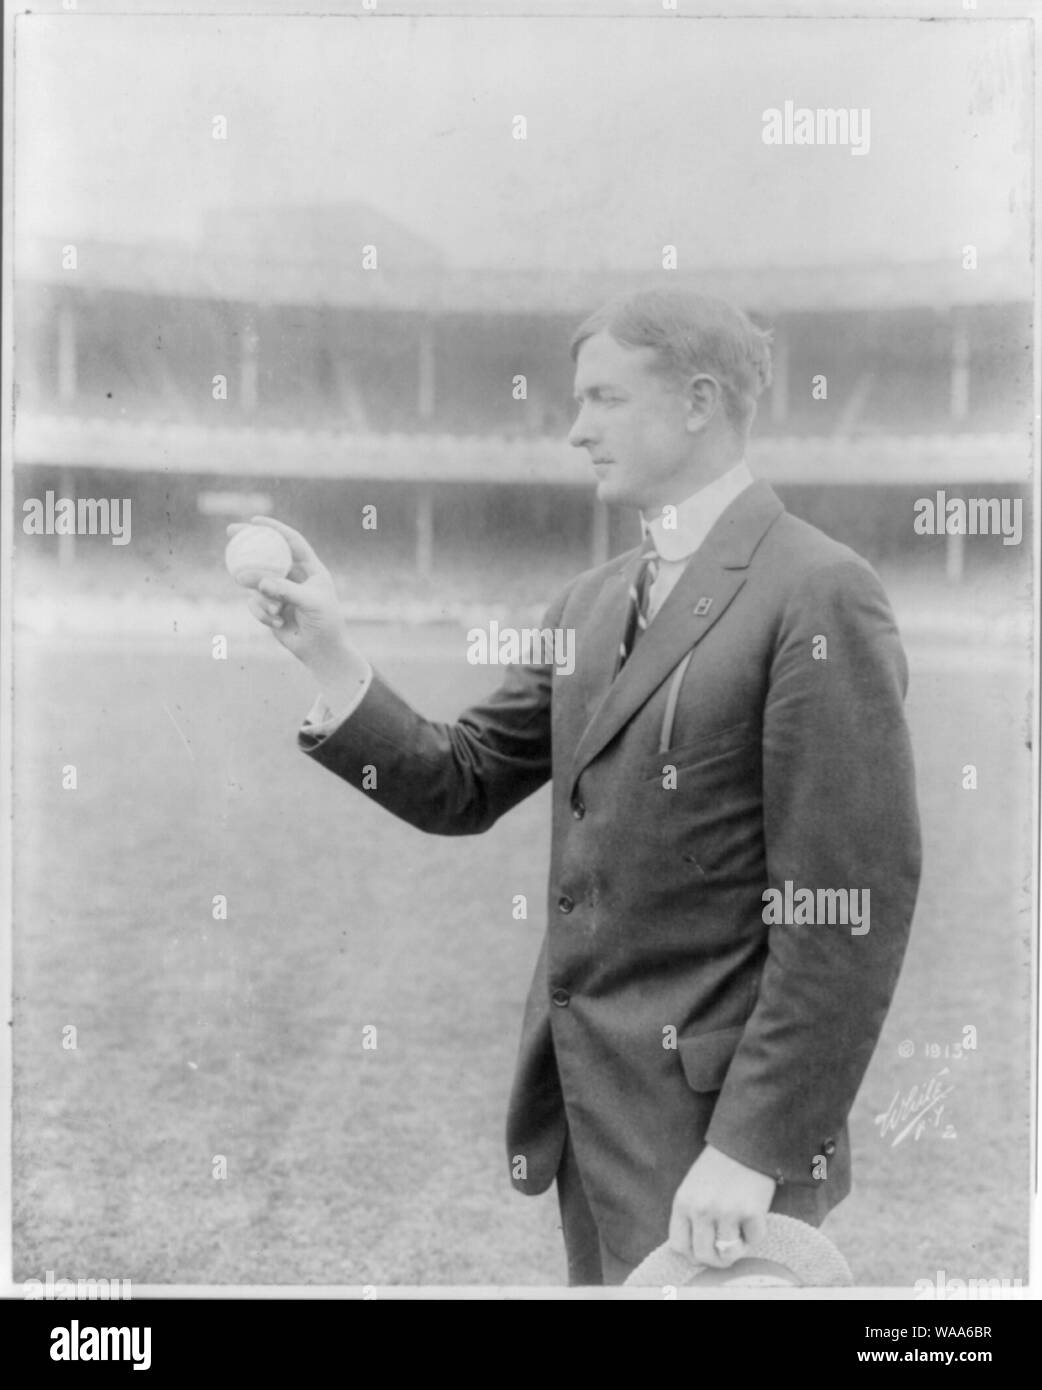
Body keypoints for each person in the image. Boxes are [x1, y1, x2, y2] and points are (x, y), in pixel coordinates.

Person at [234, 288, 921, 1286]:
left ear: (696, 401)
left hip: (721, 1148)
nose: (573, 429)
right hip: (592, 1126)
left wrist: (752, 1146)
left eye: (603, 399)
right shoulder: (588, 606)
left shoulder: (818, 590)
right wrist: (331, 656)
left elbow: (847, 907)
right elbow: (458, 780)